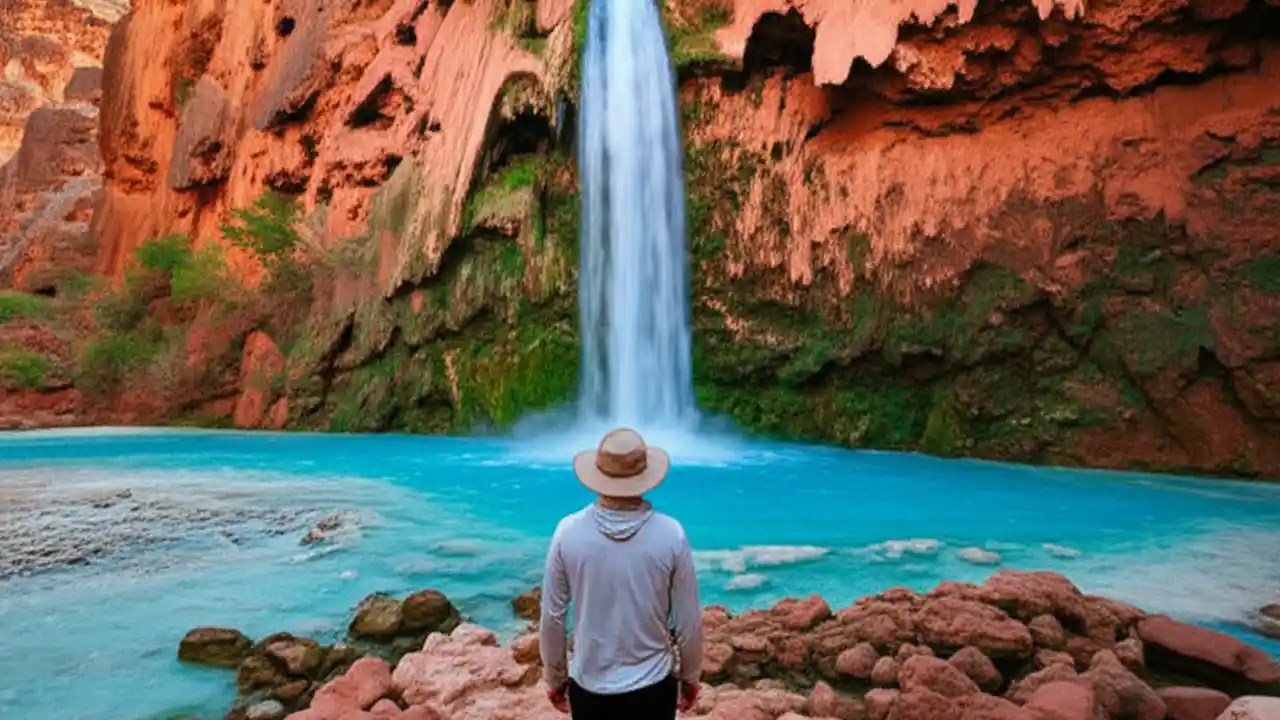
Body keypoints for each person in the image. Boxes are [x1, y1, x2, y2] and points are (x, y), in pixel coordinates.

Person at [539, 427, 703, 719]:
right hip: (653, 687)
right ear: (645, 478)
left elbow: (552, 617)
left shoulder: (567, 533)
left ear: (598, 477)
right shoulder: (671, 535)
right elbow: (688, 620)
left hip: (590, 688)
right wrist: (690, 678)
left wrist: (555, 678)